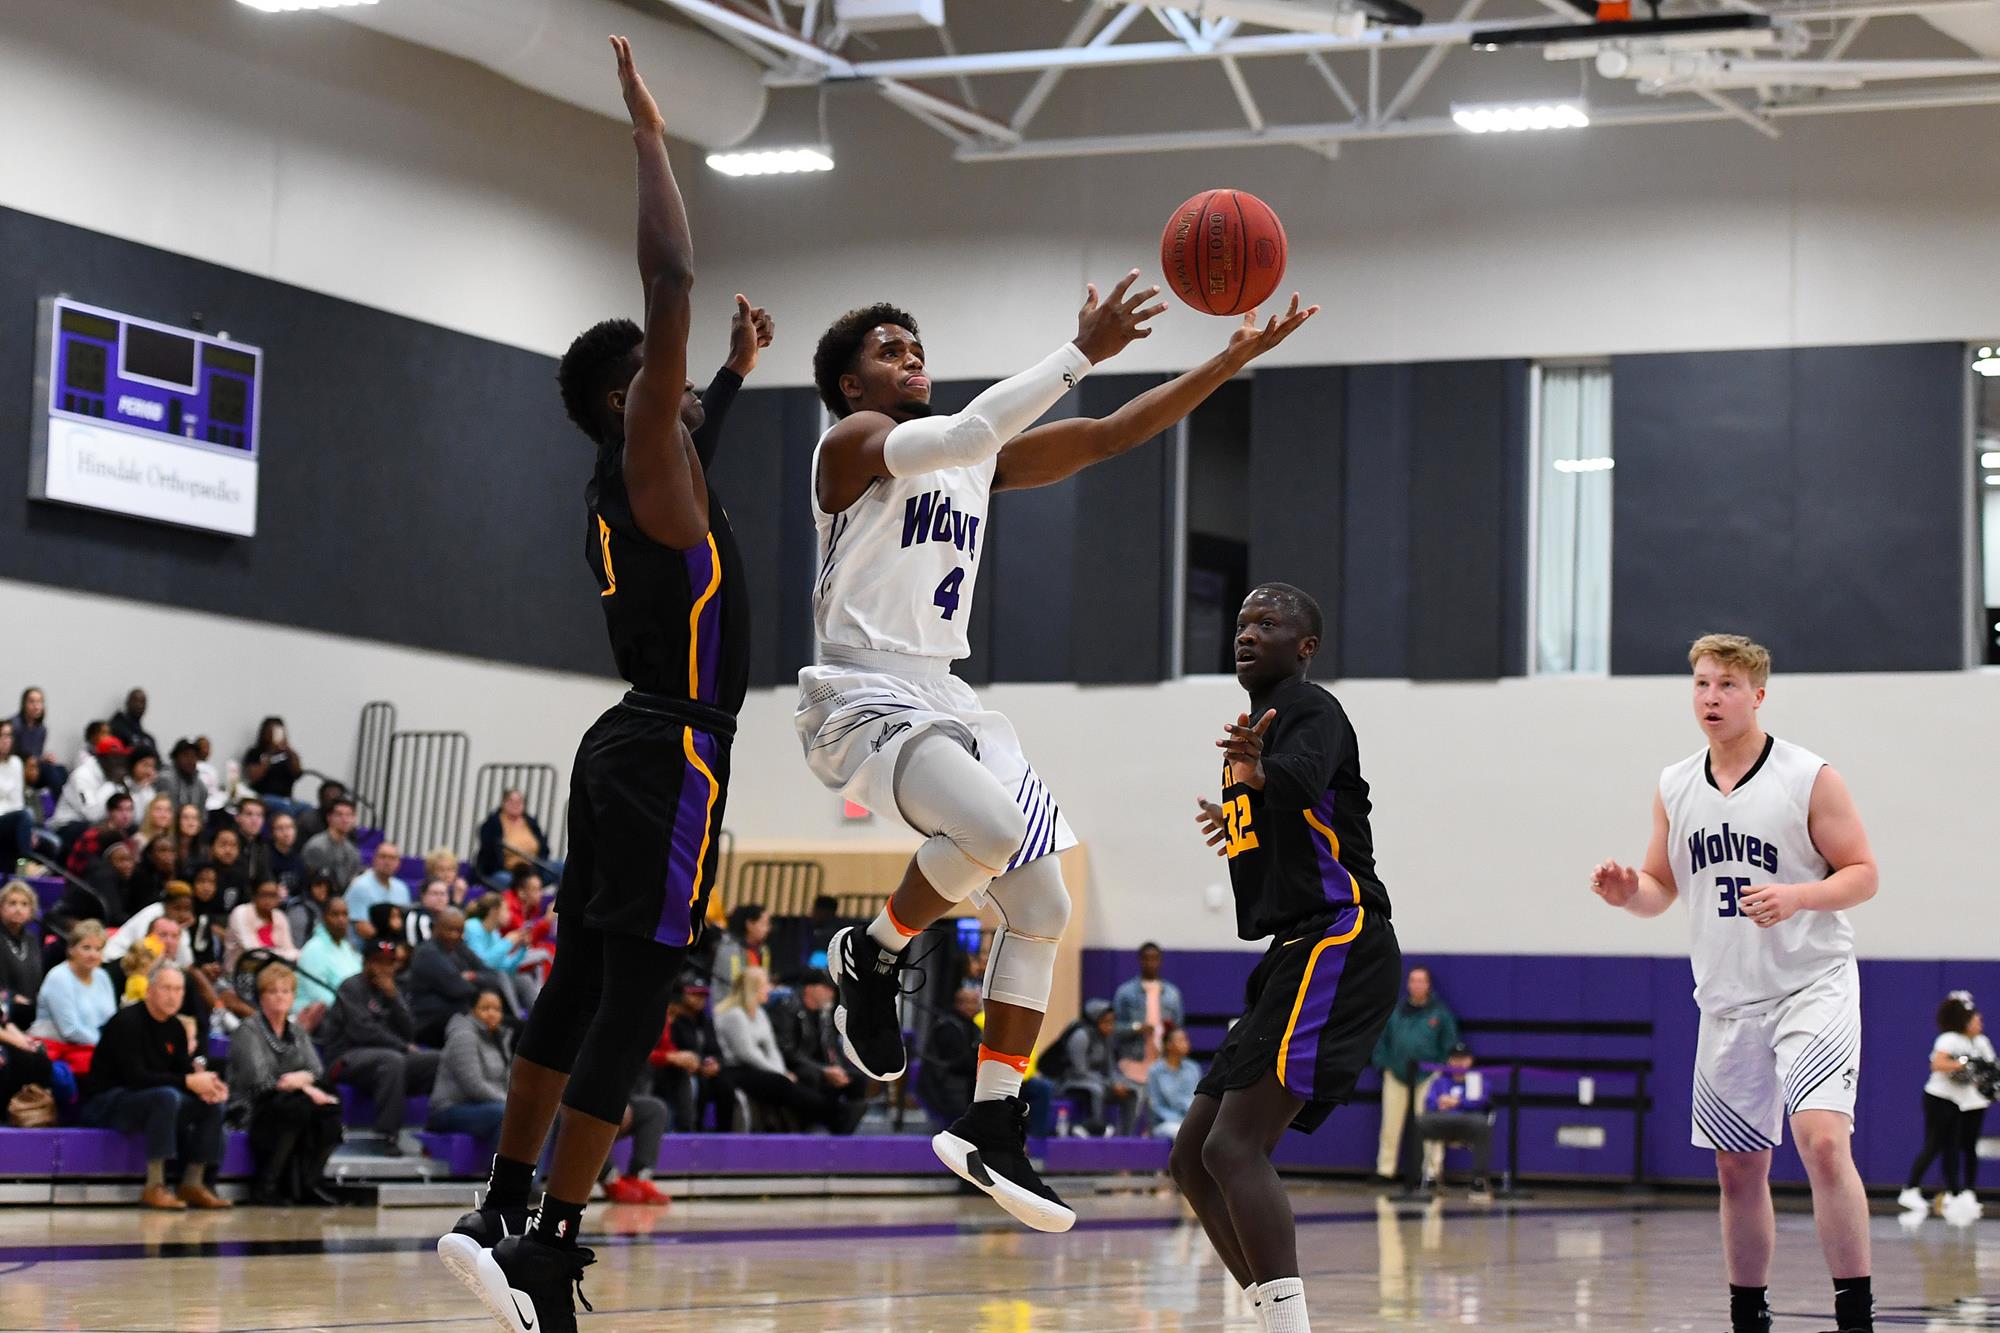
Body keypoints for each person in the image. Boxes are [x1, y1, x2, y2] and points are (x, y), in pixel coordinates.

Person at [798, 255, 1314, 1232]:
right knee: (991, 829)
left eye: (915, 346)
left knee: (1042, 899)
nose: (909, 356)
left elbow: (1113, 434)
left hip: (946, 698)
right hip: (864, 691)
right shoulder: (854, 443)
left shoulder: (971, 460)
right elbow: (963, 427)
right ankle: (871, 954)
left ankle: (990, 1122)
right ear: (850, 384)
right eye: (886, 350)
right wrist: (1080, 349)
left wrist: (1226, 360)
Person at [434, 40, 764, 1332]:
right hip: (672, 751)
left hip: (628, 745)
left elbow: (691, 435)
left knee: (582, 977)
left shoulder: (643, 482)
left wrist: (731, 374)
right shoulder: (644, 442)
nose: (684, 396)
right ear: (635, 398)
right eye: (670, 383)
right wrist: (645, 133)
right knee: (637, 996)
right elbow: (669, 273)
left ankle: (504, 1205)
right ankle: (549, 1248)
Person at [1589, 633, 1880, 1333]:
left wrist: (1798, 897)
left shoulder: (1810, 776)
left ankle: (1855, 1312)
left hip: (1811, 983)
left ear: (1757, 694)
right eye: (1701, 683)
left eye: (1725, 685)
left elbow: (1864, 872)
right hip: (1727, 999)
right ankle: (1749, 1315)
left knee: (1820, 1140)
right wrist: (1631, 891)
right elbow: (1663, 889)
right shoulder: (1675, 783)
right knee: (1737, 1167)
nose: (1711, 697)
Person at [1173, 584, 1402, 1333]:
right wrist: (1242, 822)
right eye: (1241, 622)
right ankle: (1276, 1319)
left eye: (1267, 623)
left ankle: (1285, 1328)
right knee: (1192, 1157)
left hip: (1341, 934)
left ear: (1304, 646)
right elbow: (1256, 891)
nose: (1246, 633)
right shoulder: (1244, 744)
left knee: (1236, 1146)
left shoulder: (1310, 710)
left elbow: (1300, 779)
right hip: (1292, 945)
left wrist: (1262, 783)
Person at [78, 964, 230, 1209]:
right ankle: (154, 1185)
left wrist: (207, 1086)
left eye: (178, 990)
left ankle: (194, 1183)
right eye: (166, 988)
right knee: (166, 1097)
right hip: (108, 1101)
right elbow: (135, 1077)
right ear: (149, 991)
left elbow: (181, 1072)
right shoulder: (127, 1022)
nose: (173, 995)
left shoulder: (176, 1028)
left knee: (211, 1104)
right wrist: (187, 1082)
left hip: (148, 1098)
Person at [227, 962, 342, 1205]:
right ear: (261, 997)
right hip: (251, 1105)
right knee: (295, 1107)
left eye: (286, 991)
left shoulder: (297, 1031)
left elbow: (316, 1069)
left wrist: (303, 1081)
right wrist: (305, 1086)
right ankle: (267, 1184)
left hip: (291, 1100)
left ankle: (310, 1182)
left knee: (329, 1108)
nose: (280, 997)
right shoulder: (248, 1030)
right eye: (273, 991)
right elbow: (260, 1080)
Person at [321, 939, 439, 1152]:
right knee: (392, 1060)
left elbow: (410, 1032)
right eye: (378, 962)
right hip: (345, 1057)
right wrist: (402, 1047)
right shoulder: (351, 987)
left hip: (385, 1057)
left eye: (390, 963)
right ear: (366, 963)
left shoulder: (393, 990)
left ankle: (435, 1131)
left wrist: (395, 999)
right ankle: (387, 1135)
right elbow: (362, 1031)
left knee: (436, 1061)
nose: (384, 969)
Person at [713, 967, 863, 1134]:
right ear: (752, 988)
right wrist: (781, 1073)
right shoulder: (735, 1015)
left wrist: (780, 1070)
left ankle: (834, 1116)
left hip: (759, 1068)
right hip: (736, 1069)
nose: (770, 989)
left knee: (788, 1081)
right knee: (784, 1083)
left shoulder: (760, 1014)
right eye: (765, 985)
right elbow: (747, 1053)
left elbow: (772, 1049)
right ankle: (832, 1115)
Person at [1899, 991, 1991, 1221]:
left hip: (1962, 1101)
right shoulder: (1949, 1039)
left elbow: (1989, 1067)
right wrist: (1962, 1063)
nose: (1978, 1022)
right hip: (1939, 1097)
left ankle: (1957, 1192)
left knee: (1959, 1146)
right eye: (1973, 1018)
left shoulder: (1979, 1042)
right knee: (1935, 1144)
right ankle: (1910, 1189)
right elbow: (1937, 1063)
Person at [1370, 965, 1460, 1182]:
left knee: (1431, 1123)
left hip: (1428, 1076)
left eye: (1421, 981)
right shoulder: (1395, 1011)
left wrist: (1439, 1068)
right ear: (1408, 984)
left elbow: (1450, 1043)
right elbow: (1381, 1041)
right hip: (1396, 1073)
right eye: (1413, 980)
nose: (1417, 985)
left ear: (1428, 985)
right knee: (1390, 1125)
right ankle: (1385, 1170)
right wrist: (1384, 1065)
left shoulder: (1440, 1013)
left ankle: (1431, 1172)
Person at [29, 919, 120, 1075]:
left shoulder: (102, 976)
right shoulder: (59, 977)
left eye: (98, 949)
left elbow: (112, 1020)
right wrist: (107, 1048)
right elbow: (70, 1030)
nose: (93, 954)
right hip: (59, 1051)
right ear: (71, 949)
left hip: (93, 1049)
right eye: (86, 948)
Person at [771, 968, 864, 1117]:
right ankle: (823, 1121)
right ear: (810, 988)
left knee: (856, 1079)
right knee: (811, 1076)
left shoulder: (824, 1014)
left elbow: (831, 1047)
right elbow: (787, 1050)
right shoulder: (788, 1006)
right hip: (794, 1066)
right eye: (826, 988)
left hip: (817, 1065)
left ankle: (842, 1125)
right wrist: (823, 1070)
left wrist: (836, 1068)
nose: (831, 994)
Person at [428, 989, 514, 1150]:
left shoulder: (500, 1038)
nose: (492, 1014)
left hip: (489, 1106)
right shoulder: (464, 1036)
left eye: (497, 1009)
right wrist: (508, 1103)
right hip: (451, 1109)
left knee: (537, 1119)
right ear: (473, 1010)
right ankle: (499, 1174)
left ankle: (529, 1175)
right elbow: (473, 1085)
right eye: (485, 1008)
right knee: (507, 1115)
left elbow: (507, 1081)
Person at [409, 908, 507, 1040]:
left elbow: (493, 977)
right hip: (432, 1020)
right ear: (437, 928)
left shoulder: (460, 948)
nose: (454, 935)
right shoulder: (427, 953)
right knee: (506, 1032)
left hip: (462, 1014)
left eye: (459, 931)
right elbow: (457, 988)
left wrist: (473, 976)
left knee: (512, 1029)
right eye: (449, 930)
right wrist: (478, 984)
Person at [1413, 1042, 1493, 1199]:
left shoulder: (1477, 1080)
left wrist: (1458, 1102)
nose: (1459, 1062)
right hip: (1441, 1121)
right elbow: (1429, 1102)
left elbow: (1481, 1102)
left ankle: (1478, 1179)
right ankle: (1417, 1177)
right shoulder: (1439, 1080)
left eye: (1463, 1059)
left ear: (1470, 1060)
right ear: (1449, 1060)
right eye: (1455, 1059)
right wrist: (1440, 1103)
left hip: (1468, 1121)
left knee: (1482, 1125)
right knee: (1419, 1122)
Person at [1113, 941, 1185, 1082]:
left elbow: (1178, 1028)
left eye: (1154, 958)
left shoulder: (1172, 993)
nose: (1150, 963)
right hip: (1134, 1061)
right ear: (1140, 960)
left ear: (1160, 961)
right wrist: (1137, 1027)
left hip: (1164, 1062)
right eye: (1146, 958)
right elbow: (1115, 1028)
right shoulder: (1125, 992)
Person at [917, 982, 984, 1126]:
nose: (977, 1008)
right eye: (971, 1003)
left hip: (965, 1085)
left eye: (977, 1003)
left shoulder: (972, 1027)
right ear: (960, 1004)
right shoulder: (948, 1027)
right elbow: (961, 1063)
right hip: (946, 1087)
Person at [294, 896, 362, 1017]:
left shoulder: (346, 947)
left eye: (345, 914)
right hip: (321, 1018)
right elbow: (318, 996)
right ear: (324, 918)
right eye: (335, 914)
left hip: (351, 1012)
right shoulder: (313, 950)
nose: (341, 920)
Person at [476, 788, 553, 885]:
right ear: (503, 803)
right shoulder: (492, 824)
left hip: (535, 869)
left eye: (519, 801)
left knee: (560, 868)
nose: (515, 805)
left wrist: (537, 866)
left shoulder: (531, 823)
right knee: (506, 880)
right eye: (511, 801)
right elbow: (490, 852)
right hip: (507, 870)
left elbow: (544, 847)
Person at [344, 840, 411, 946]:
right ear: (374, 859)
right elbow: (363, 929)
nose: (387, 862)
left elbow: (403, 924)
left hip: (389, 950)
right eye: (383, 857)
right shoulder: (360, 886)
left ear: (399, 863)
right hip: (361, 950)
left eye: (392, 858)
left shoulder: (402, 889)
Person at [225, 879, 298, 972]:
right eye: (264, 895)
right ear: (254, 896)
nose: (268, 900)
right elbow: (254, 952)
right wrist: (284, 954)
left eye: (272, 895)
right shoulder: (241, 912)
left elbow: (290, 949)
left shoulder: (280, 916)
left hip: (273, 972)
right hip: (241, 973)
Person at [0, 880, 46, 1026]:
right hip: (5, 1009)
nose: (18, 909)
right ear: (1, 907)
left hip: (30, 1009)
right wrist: (11, 997)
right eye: (12, 903)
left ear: (31, 910)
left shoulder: (31, 939)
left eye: (24, 904)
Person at [1147, 1026, 1202, 1140]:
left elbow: (1197, 1099)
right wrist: (1180, 1121)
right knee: (1181, 1133)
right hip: (1165, 1123)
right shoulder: (1155, 1071)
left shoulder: (1193, 1068)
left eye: (1186, 1040)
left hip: (1191, 1120)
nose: (1185, 1043)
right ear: (1168, 1044)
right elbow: (1156, 1106)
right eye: (1180, 1040)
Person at [241, 718, 304, 813]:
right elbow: (253, 777)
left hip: (287, 799)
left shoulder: (289, 754)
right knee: (286, 810)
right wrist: (270, 752)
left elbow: (298, 773)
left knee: (307, 809)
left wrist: (289, 751)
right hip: (264, 797)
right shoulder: (255, 752)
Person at [12, 686, 67, 794]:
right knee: (50, 771)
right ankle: (57, 806)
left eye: (39, 702)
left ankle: (60, 805)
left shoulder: (41, 729)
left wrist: (44, 758)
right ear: (24, 704)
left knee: (61, 770)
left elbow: (36, 754)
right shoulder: (14, 725)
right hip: (19, 767)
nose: (36, 706)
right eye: (32, 702)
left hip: (34, 766)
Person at [302, 797, 363, 891]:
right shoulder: (317, 847)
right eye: (339, 815)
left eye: (349, 815)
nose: (345, 819)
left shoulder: (352, 850)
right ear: (329, 818)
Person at [708, 901, 768, 991]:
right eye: (764, 924)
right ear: (750, 925)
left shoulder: (762, 950)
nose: (767, 929)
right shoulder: (730, 949)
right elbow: (732, 986)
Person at [160, 739, 209, 815]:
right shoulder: (165, 780)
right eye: (185, 755)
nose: (190, 760)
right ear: (175, 757)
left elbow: (202, 818)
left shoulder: (201, 786)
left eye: (194, 756)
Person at [267, 811, 304, 891]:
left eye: (290, 827)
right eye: (280, 828)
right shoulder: (266, 856)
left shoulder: (298, 856)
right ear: (272, 832)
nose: (286, 833)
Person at [407, 878, 450, 947]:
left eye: (443, 894)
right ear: (423, 896)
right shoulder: (417, 917)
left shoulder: (450, 918)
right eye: (435, 893)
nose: (440, 898)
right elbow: (426, 950)